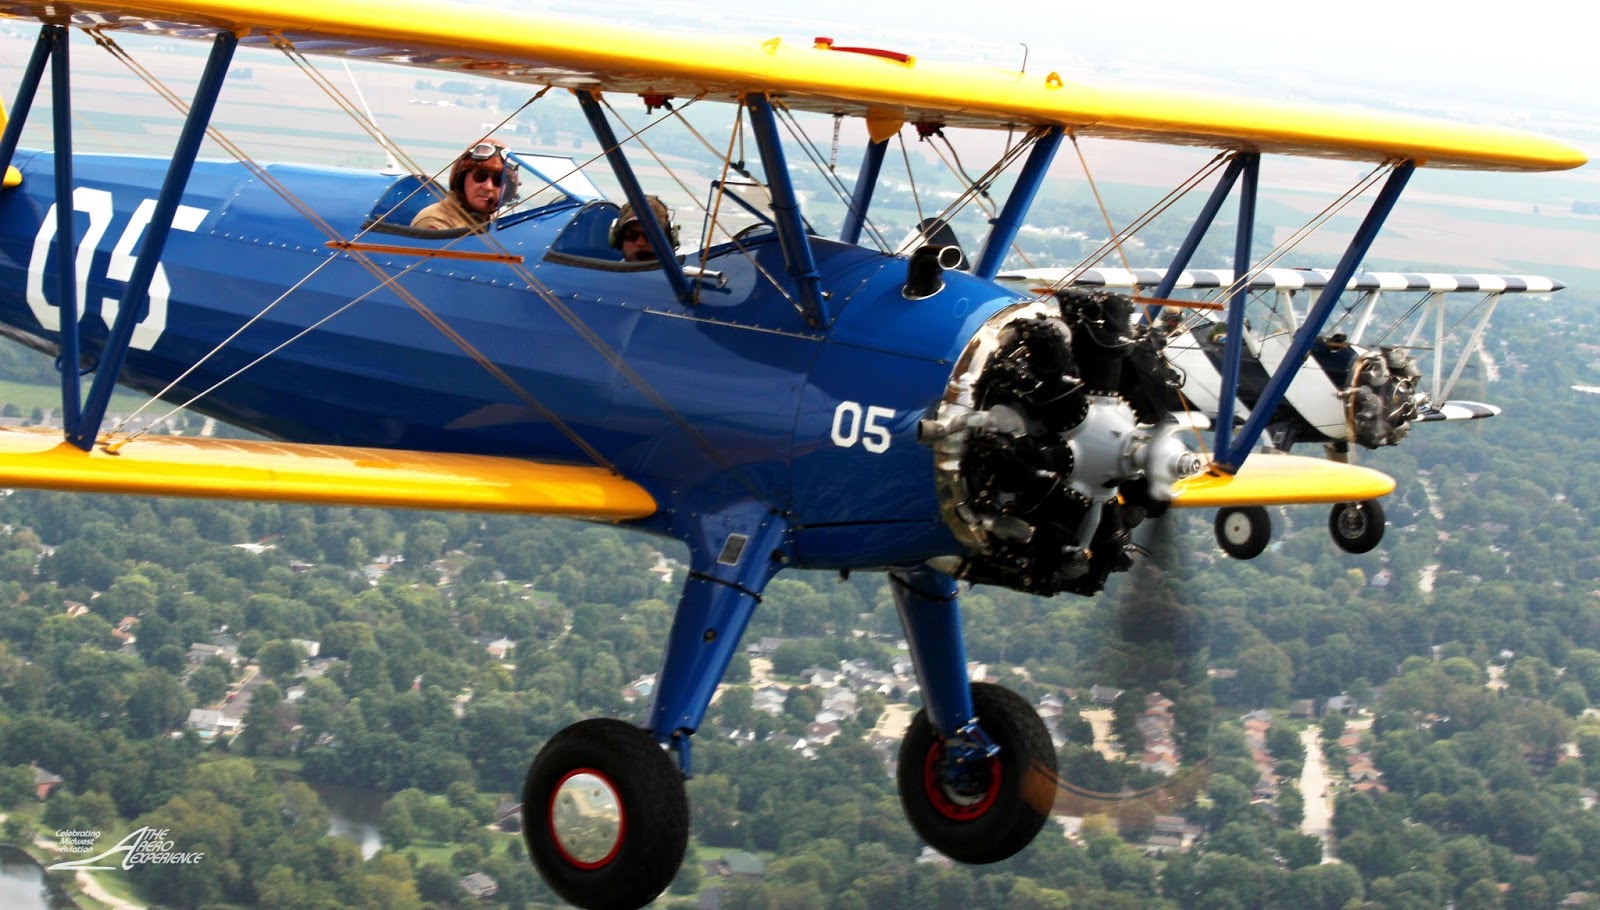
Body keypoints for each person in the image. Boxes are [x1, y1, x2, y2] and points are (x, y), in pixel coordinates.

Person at [411, 138, 518, 231]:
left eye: (498, 180)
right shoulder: (436, 221)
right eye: (480, 176)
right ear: (462, 179)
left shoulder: (492, 220)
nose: (488, 187)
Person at [610, 195, 677, 262]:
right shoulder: (608, 272)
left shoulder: (682, 272)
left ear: (668, 240)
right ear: (618, 240)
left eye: (651, 236)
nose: (641, 243)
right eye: (631, 235)